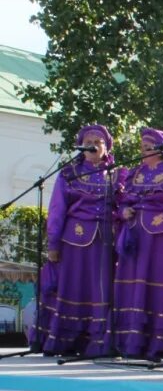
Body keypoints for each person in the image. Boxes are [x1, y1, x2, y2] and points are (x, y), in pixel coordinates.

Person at [41, 124, 125, 356]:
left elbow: (126, 203)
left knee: (100, 291)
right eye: (89, 141)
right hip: (74, 240)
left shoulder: (119, 174)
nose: (94, 145)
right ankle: (66, 342)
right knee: (73, 288)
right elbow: (57, 209)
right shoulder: (69, 173)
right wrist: (53, 244)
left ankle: (98, 343)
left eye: (99, 141)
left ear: (107, 147)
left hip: (105, 243)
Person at [115, 127, 163, 360]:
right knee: (135, 287)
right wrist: (123, 210)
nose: (144, 149)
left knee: (161, 286)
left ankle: (160, 343)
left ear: (162, 148)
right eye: (142, 145)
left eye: (149, 145)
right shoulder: (133, 174)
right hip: (136, 238)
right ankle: (131, 341)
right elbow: (122, 202)